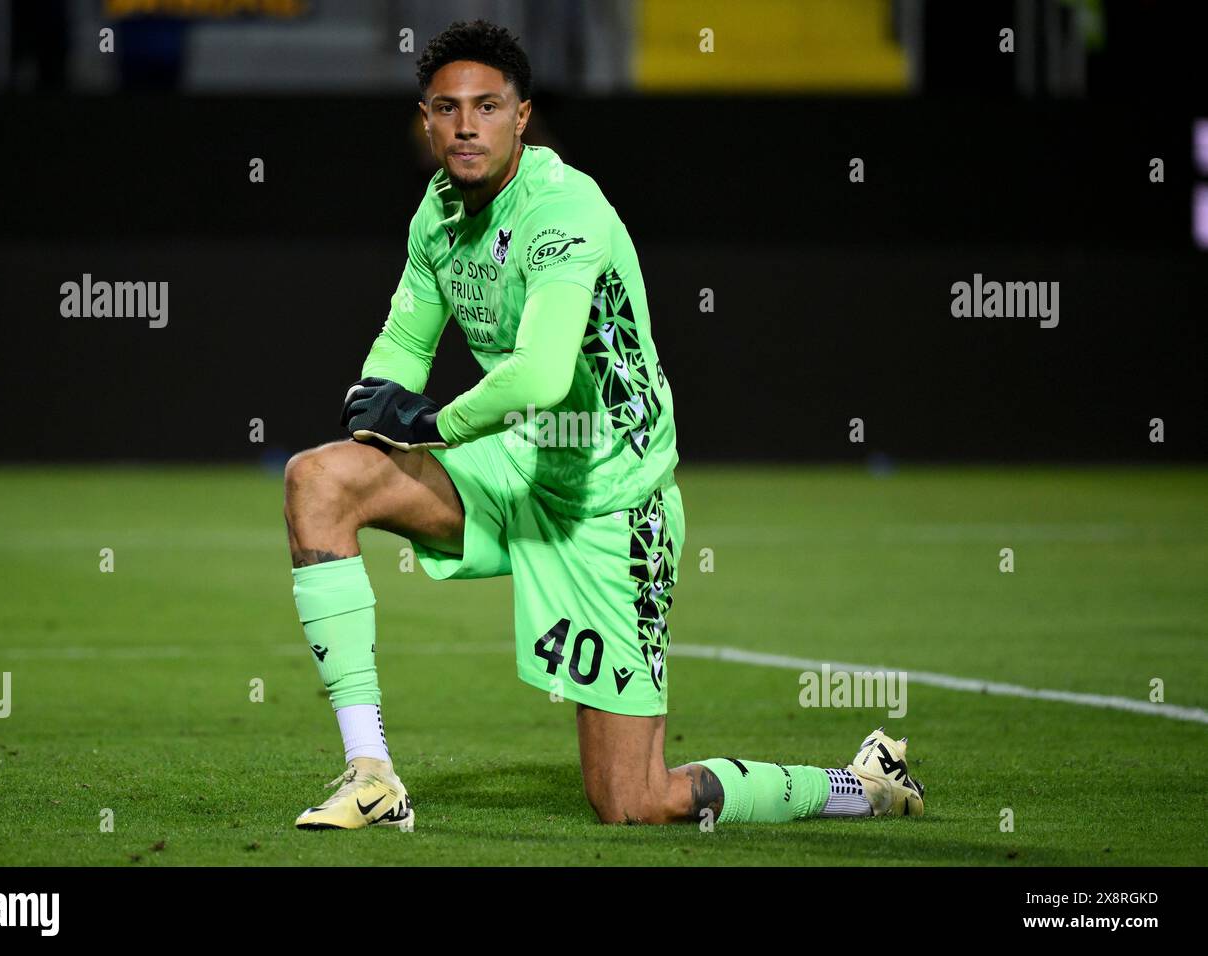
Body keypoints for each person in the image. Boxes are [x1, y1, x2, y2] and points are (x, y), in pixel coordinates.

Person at [283, 19, 924, 830]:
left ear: (521, 116)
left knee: (631, 801)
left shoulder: (564, 211)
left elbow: (544, 376)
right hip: (516, 467)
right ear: (426, 120)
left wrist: (429, 422)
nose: (466, 124)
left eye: (487, 106)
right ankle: (371, 775)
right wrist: (373, 417)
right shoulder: (438, 213)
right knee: (320, 479)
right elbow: (404, 345)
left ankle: (860, 785)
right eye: (447, 108)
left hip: (613, 508)